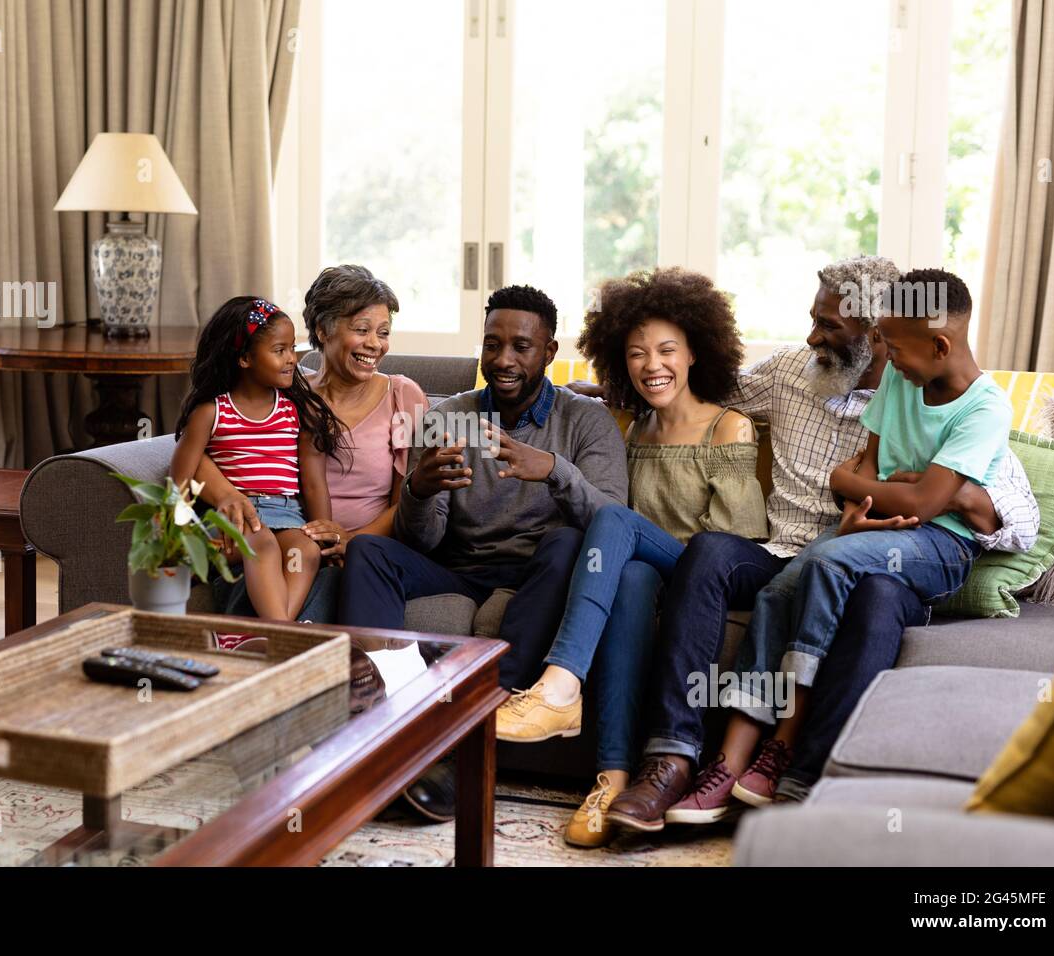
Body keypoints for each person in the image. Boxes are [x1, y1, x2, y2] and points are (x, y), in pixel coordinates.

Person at [604, 256, 1039, 833]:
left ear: (877, 334)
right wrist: (596, 394)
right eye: (814, 319)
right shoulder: (790, 372)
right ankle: (673, 759)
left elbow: (1015, 518)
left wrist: (954, 498)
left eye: (830, 325)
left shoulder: (938, 392)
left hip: (874, 558)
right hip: (781, 550)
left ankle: (802, 775)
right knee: (710, 551)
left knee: (873, 594)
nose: (813, 337)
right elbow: (689, 383)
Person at [490, 268, 768, 848]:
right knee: (635, 579)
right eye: (637, 354)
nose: (652, 365)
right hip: (651, 570)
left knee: (615, 520)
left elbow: (736, 539)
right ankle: (611, 780)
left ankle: (560, 686)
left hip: (711, 573)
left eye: (667, 350)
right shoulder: (631, 428)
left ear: (696, 352)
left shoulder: (728, 427)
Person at [338, 283, 628, 820]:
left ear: (549, 353)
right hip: (459, 568)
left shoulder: (586, 421)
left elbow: (613, 529)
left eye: (521, 346)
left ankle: (482, 711)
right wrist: (419, 492)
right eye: (492, 344)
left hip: (541, 573)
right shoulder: (450, 415)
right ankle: (392, 721)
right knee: (368, 554)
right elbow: (423, 540)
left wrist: (555, 472)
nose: (503, 359)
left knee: (569, 542)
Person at [194, 266, 428, 624]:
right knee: (269, 564)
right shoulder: (287, 389)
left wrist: (349, 540)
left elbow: (409, 501)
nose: (375, 344)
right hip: (278, 533)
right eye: (361, 330)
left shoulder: (403, 396)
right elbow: (203, 447)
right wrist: (230, 496)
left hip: (360, 551)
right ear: (323, 330)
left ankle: (273, 648)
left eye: (383, 332)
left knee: (322, 576)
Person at [170, 296, 345, 629]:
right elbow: (181, 478)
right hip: (237, 521)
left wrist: (322, 534)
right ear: (246, 358)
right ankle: (283, 631)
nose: (292, 359)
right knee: (262, 545)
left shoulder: (295, 411)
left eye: (293, 348)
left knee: (303, 552)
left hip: (287, 514)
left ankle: (278, 628)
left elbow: (312, 483)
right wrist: (179, 536)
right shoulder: (212, 412)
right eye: (280, 351)